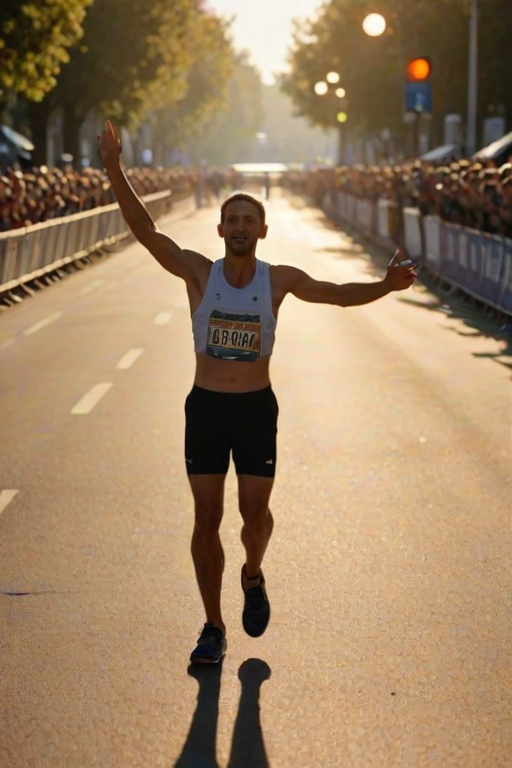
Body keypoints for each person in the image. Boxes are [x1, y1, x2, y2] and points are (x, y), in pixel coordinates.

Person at [97, 120, 417, 665]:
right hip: (205, 408)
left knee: (255, 517)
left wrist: (385, 287)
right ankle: (213, 627)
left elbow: (337, 295)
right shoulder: (199, 274)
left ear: (263, 231)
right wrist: (113, 169)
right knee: (205, 518)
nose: (240, 227)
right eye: (232, 221)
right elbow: (147, 232)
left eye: (249, 220)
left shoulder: (278, 280)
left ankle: (252, 573)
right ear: (220, 231)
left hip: (254, 410)